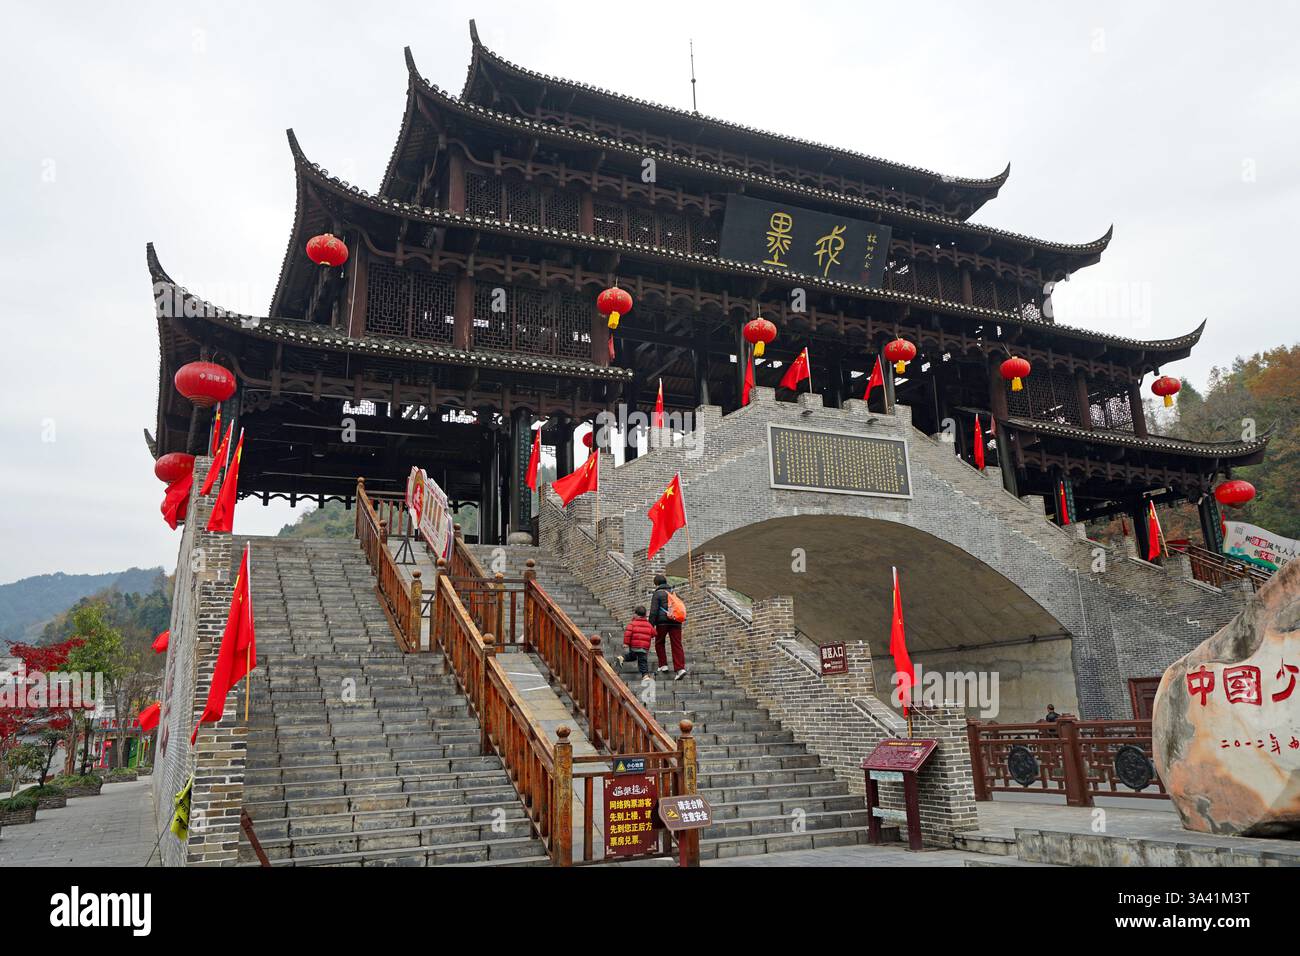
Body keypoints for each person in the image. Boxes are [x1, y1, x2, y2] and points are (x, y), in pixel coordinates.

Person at [649, 574, 687, 680]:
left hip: (662, 623)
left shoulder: (657, 594)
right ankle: (680, 669)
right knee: (677, 644)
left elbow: (653, 611)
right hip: (676, 622)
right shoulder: (674, 593)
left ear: (656, 584)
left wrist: (650, 626)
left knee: (659, 642)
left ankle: (663, 665)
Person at [615, 606, 655, 680]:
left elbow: (628, 634)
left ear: (636, 614)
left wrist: (626, 643)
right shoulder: (648, 624)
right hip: (643, 646)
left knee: (633, 656)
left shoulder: (632, 624)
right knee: (642, 660)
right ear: (645, 615)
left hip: (634, 646)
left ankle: (623, 657)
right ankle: (645, 675)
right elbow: (654, 633)